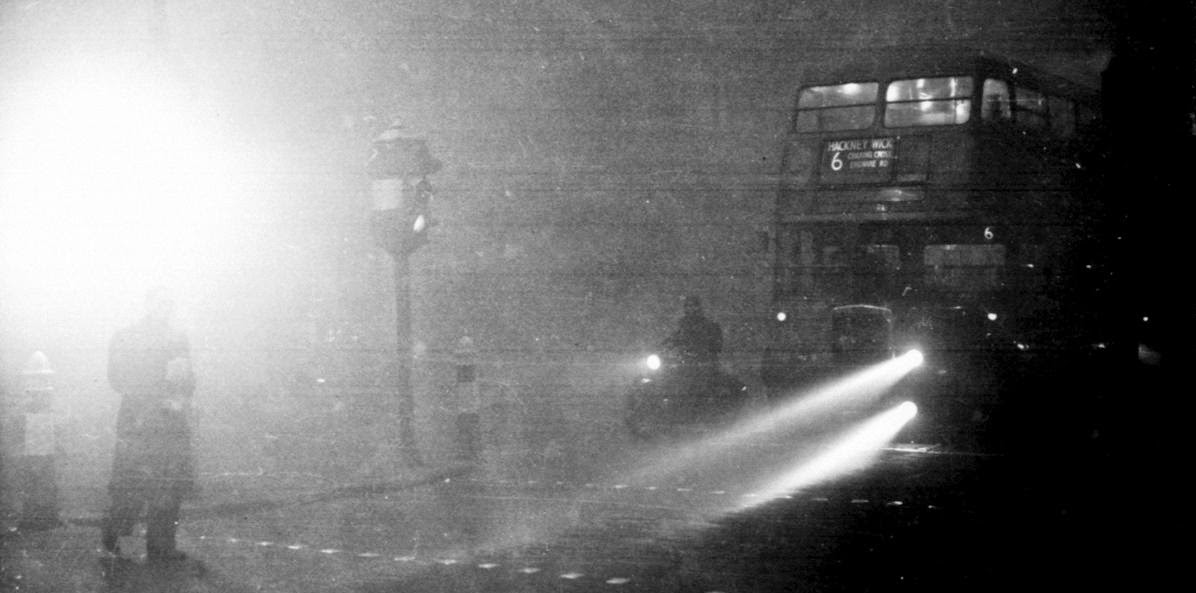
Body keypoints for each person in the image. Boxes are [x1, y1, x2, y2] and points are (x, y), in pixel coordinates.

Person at [101, 288, 196, 563]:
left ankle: (153, 544)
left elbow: (188, 380)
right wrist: (159, 386)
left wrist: (179, 387)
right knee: (139, 482)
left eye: (168, 304)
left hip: (153, 420)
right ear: (149, 304)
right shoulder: (131, 337)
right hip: (149, 419)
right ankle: (121, 540)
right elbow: (116, 378)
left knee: (160, 484)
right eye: (160, 303)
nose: (164, 309)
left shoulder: (173, 338)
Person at [664, 295, 724, 368]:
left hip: (704, 363)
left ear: (698, 307)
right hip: (684, 362)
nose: (690, 308)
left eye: (693, 306)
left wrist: (706, 352)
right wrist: (665, 346)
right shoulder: (681, 324)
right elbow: (673, 338)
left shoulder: (709, 325)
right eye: (688, 306)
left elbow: (716, 345)